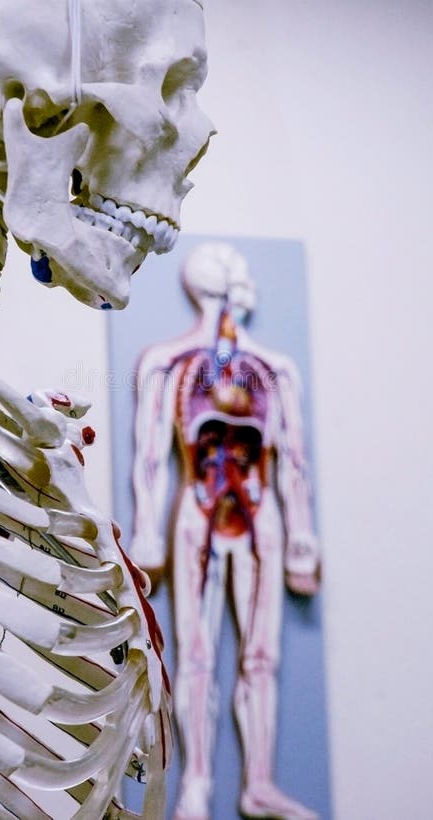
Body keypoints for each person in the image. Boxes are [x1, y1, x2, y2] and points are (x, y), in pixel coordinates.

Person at [130, 242, 321, 820]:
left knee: (259, 655)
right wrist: (145, 534)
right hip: (200, 511)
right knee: (196, 655)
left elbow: (292, 457)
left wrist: (301, 541)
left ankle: (257, 784)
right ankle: (197, 784)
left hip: (259, 515)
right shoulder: (167, 365)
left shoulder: (275, 370)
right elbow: (150, 458)